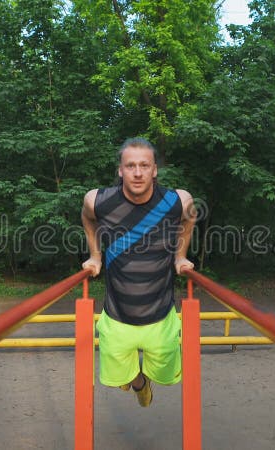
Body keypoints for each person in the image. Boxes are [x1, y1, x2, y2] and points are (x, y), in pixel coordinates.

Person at [81, 137, 195, 407]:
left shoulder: (177, 201)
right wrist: (95, 256)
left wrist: (180, 256)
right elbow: (87, 217)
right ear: (120, 170)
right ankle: (139, 383)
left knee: (169, 375)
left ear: (155, 169)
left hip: (161, 314)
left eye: (144, 165)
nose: (137, 172)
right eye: (130, 165)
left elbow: (190, 218)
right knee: (121, 375)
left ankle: (148, 377)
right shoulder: (98, 201)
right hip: (117, 315)